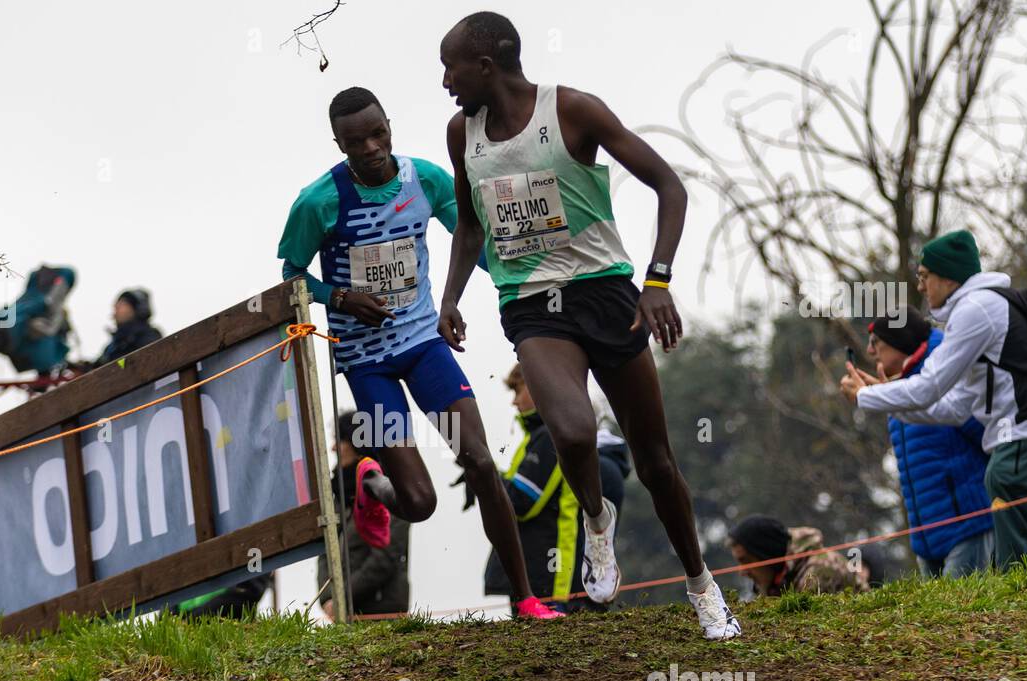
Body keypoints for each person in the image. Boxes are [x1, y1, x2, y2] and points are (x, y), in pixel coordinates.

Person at [437, 12, 742, 639]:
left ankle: (701, 586)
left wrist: (657, 281)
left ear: (487, 65)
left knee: (656, 463)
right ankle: (598, 524)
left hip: (606, 294)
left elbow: (669, 187)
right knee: (573, 435)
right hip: (529, 302)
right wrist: (450, 299)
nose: (445, 82)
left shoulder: (573, 111)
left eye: (451, 67)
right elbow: (469, 227)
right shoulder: (459, 134)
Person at [278, 85, 562, 620]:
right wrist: (339, 297)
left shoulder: (425, 179)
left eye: (377, 133)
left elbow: (471, 238)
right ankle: (373, 485)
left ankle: (525, 599)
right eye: (354, 140)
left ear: (390, 124)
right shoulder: (318, 202)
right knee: (421, 503)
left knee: (479, 461)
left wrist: (524, 282)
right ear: (338, 143)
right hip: (366, 364)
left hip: (422, 347)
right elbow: (292, 275)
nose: (370, 147)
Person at [842, 230, 1027, 567]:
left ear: (948, 277)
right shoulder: (984, 306)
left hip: (1022, 445)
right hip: (1025, 444)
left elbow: (930, 387)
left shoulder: (976, 309)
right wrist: (884, 397)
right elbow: (956, 407)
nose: (920, 286)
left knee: (1024, 566)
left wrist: (868, 395)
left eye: (925, 277)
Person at [483, 363, 630, 612]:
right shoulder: (545, 435)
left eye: (518, 391)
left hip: (549, 580)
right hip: (554, 577)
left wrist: (484, 477)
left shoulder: (550, 435)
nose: (514, 402)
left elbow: (520, 502)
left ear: (539, 387)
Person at [864, 309, 994, 576]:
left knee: (961, 615)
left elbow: (987, 438)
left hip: (968, 528)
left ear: (899, 342)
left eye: (876, 342)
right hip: (926, 539)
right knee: (935, 618)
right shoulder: (900, 387)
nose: (869, 351)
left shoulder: (949, 375)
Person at [317, 412, 410, 618]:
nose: (332, 448)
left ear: (358, 444)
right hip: (346, 611)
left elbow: (384, 557)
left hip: (382, 612)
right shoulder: (339, 493)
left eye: (339, 440)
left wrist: (341, 598)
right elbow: (325, 548)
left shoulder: (389, 490)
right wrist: (328, 598)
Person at [728, 516, 870, 599]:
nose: (742, 571)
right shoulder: (777, 578)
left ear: (766, 555)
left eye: (746, 561)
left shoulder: (819, 571)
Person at [90, 288, 161, 369]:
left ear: (136, 309)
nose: (116, 309)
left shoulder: (148, 336)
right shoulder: (112, 346)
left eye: (123, 304)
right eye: (116, 306)